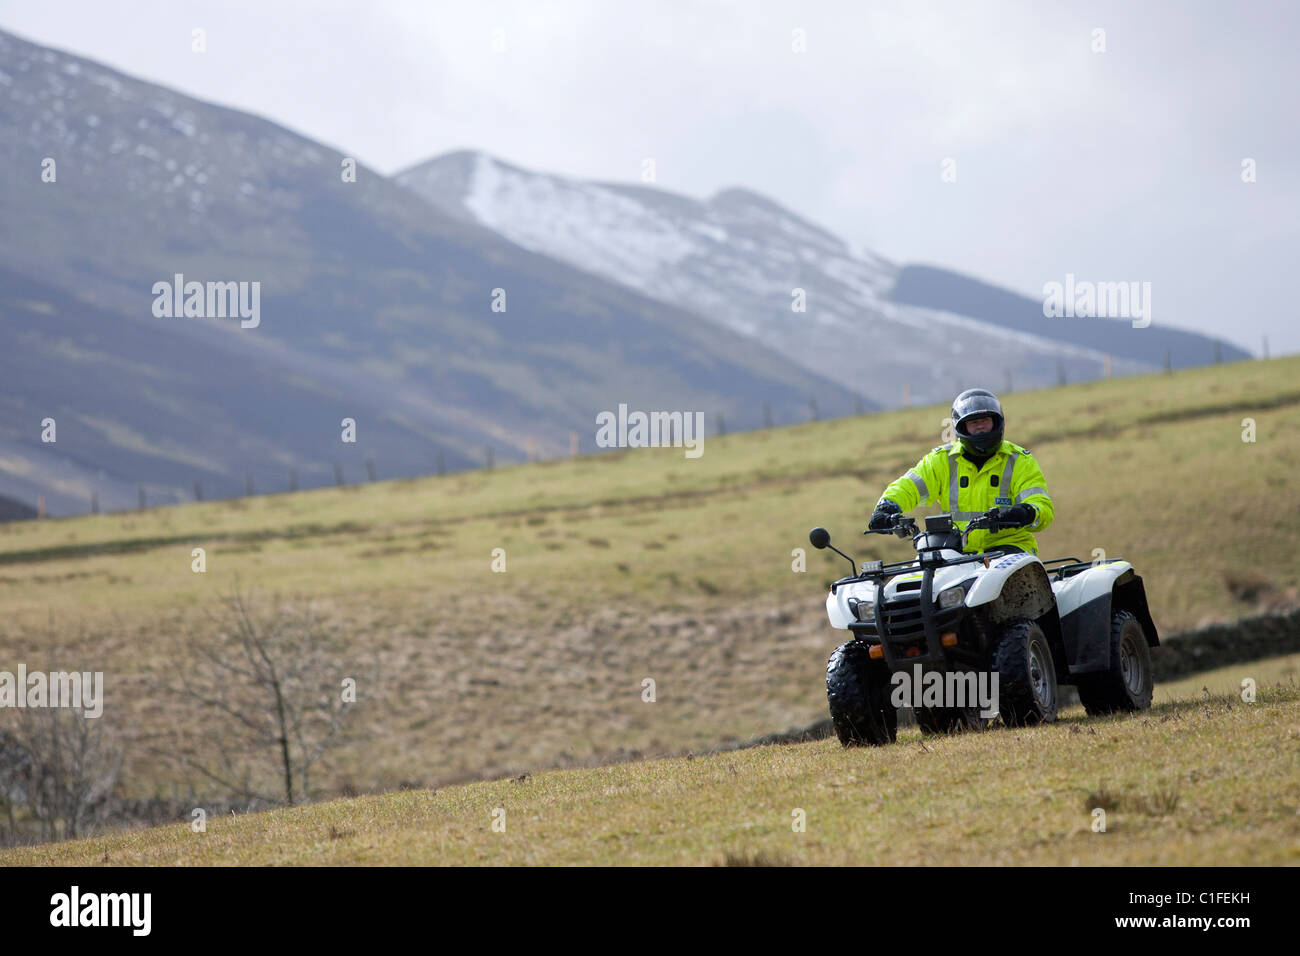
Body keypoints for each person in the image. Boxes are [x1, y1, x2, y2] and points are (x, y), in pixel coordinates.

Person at [867, 388, 1054, 555]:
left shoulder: (1019, 460)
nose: (980, 427)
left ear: (997, 423)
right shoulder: (942, 460)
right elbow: (908, 487)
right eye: (973, 423)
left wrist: (1026, 512)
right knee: (917, 583)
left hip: (1009, 549)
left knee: (1017, 591)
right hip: (954, 550)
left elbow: (1042, 506)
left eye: (985, 420)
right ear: (961, 428)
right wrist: (887, 506)